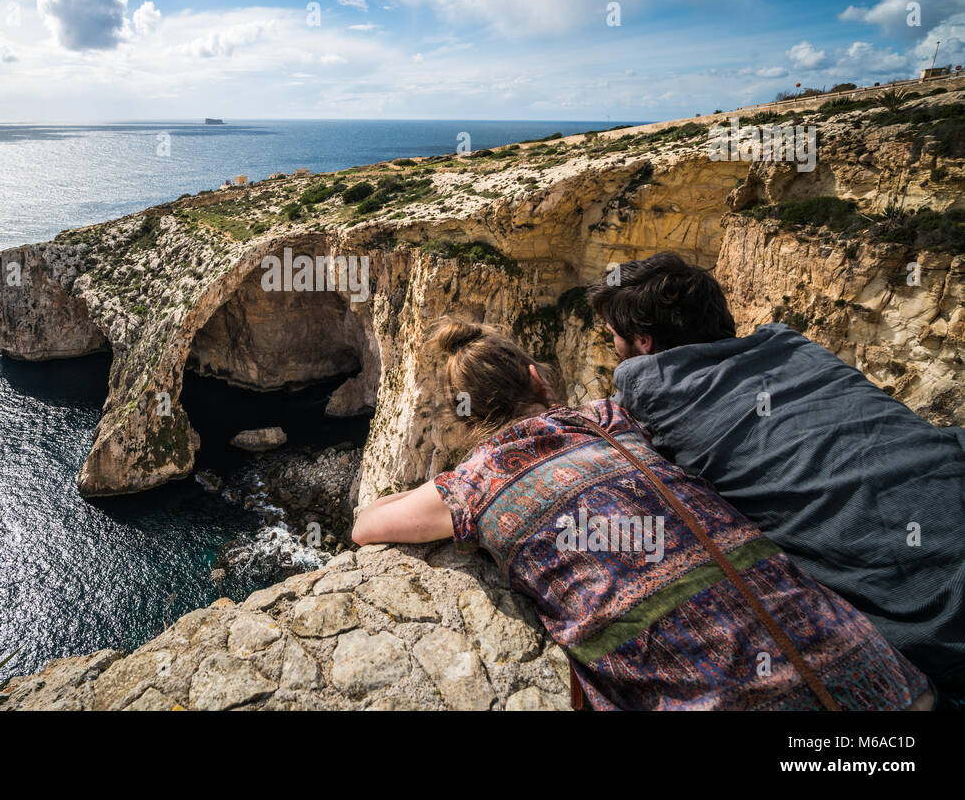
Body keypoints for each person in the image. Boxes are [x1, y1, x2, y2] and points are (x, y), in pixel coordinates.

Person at [352, 318, 932, 710]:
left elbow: (366, 525)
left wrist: (444, 482)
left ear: (465, 410)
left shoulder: (476, 483)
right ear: (537, 378)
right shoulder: (609, 420)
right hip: (885, 681)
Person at [586, 252, 965, 703]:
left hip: (941, 627)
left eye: (613, 336)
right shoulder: (791, 345)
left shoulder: (649, 389)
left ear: (643, 342)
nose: (611, 346)